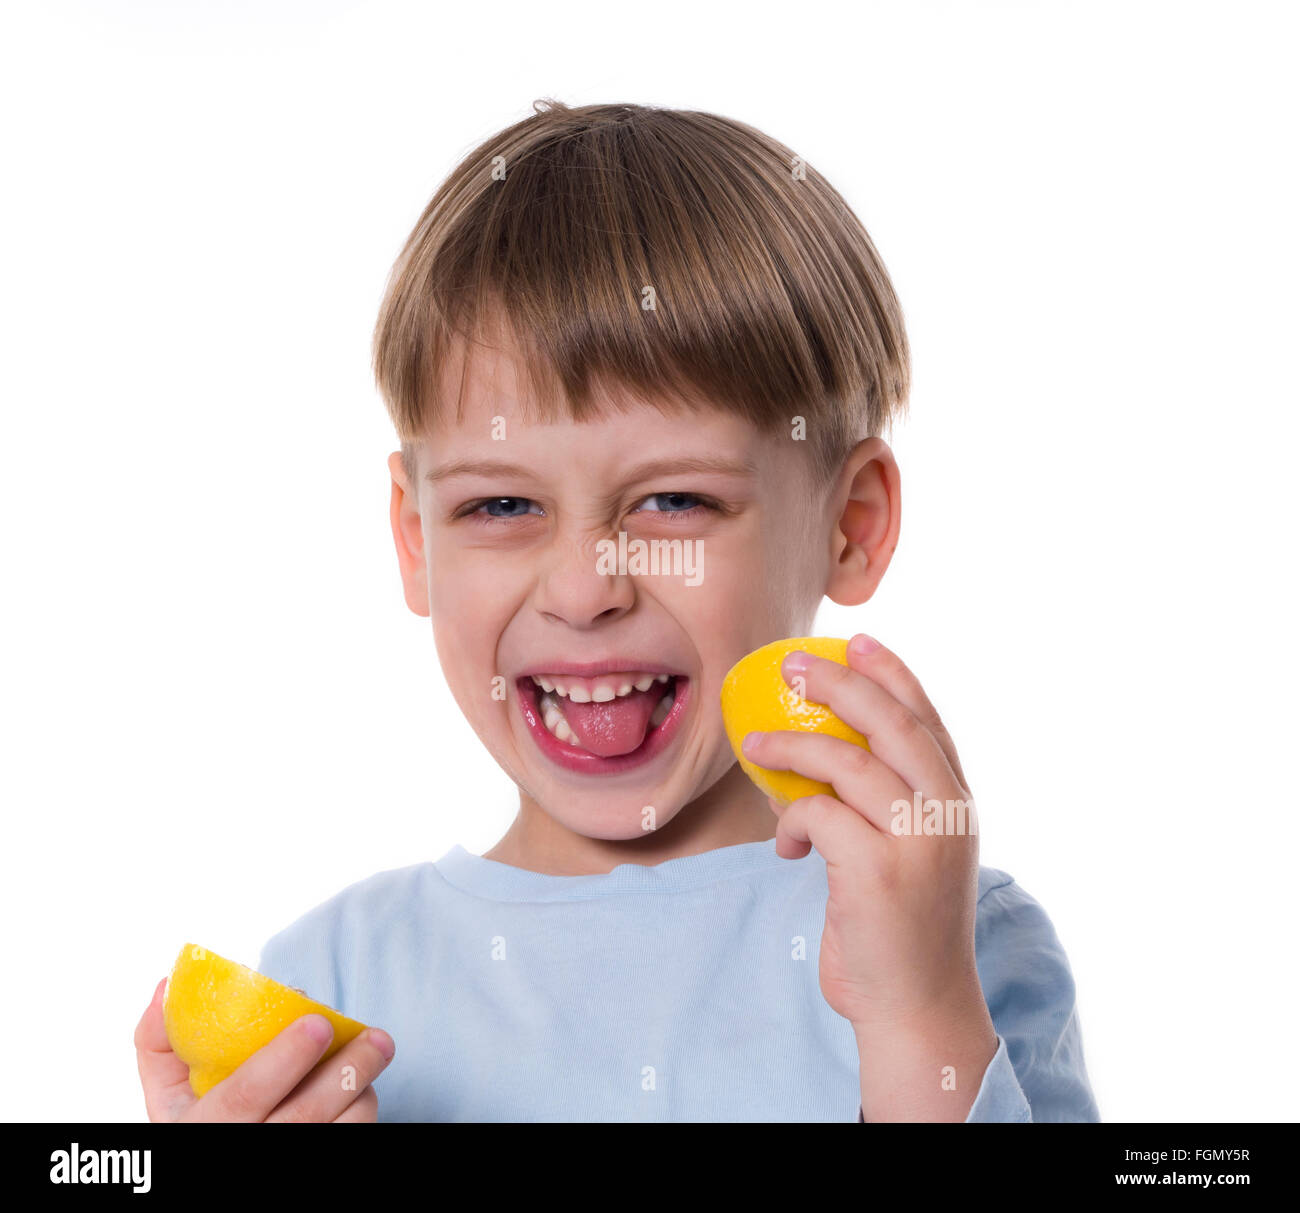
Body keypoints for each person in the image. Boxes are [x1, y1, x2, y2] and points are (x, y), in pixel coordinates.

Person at [135, 99, 1099, 1122]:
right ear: (415, 538)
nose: (586, 587)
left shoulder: (955, 941)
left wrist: (915, 1016)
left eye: (674, 500)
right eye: (499, 504)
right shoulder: (325, 991)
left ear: (849, 525)